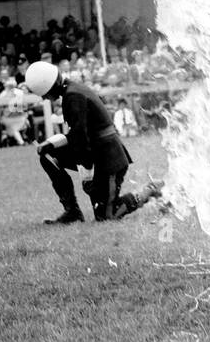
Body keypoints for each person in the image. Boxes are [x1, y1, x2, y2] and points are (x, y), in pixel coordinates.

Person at [24, 60, 161, 224]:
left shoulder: (73, 96)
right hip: (97, 153)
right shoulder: (72, 91)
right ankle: (72, 212)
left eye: (44, 93)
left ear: (49, 86)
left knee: (107, 215)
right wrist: (51, 144)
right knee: (48, 156)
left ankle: (150, 190)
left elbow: (81, 139)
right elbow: (78, 134)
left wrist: (87, 176)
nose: (44, 97)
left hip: (109, 160)